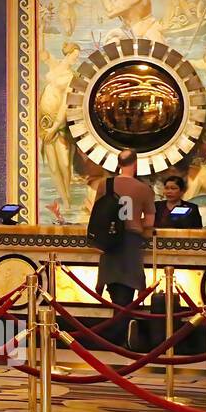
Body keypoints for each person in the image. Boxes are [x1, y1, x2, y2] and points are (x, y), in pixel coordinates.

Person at [93, 149, 154, 349]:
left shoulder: (105, 184)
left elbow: (97, 213)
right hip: (130, 241)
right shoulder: (144, 188)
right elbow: (150, 222)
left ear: (118, 163)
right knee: (128, 286)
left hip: (110, 241)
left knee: (114, 285)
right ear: (135, 164)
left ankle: (117, 333)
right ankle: (121, 334)